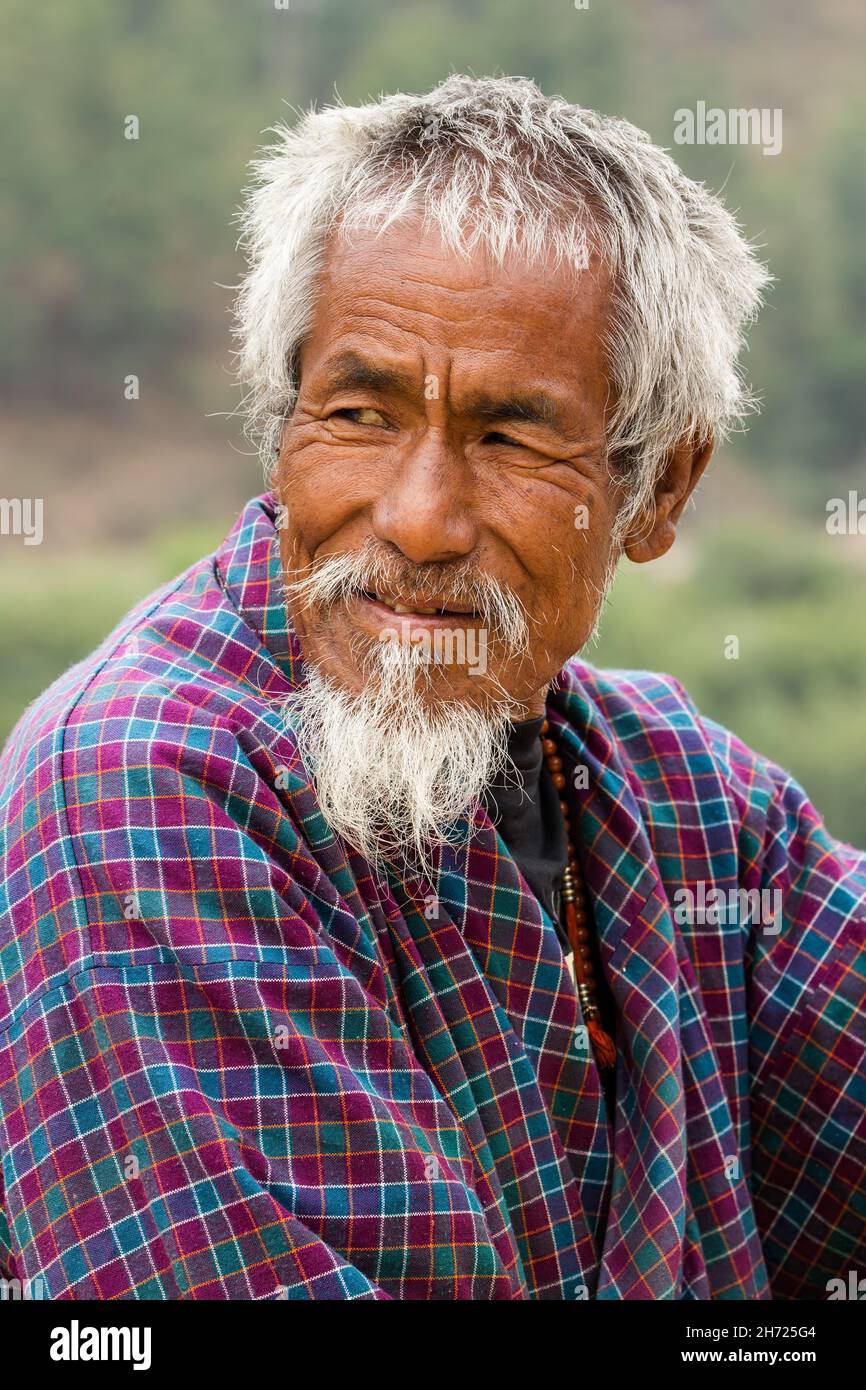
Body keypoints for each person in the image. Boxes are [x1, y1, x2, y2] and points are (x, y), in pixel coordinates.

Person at [1, 75, 863, 1301]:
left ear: (658, 488)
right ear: (283, 424)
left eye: (510, 437)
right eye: (359, 412)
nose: (416, 520)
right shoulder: (139, 786)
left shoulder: (690, 806)